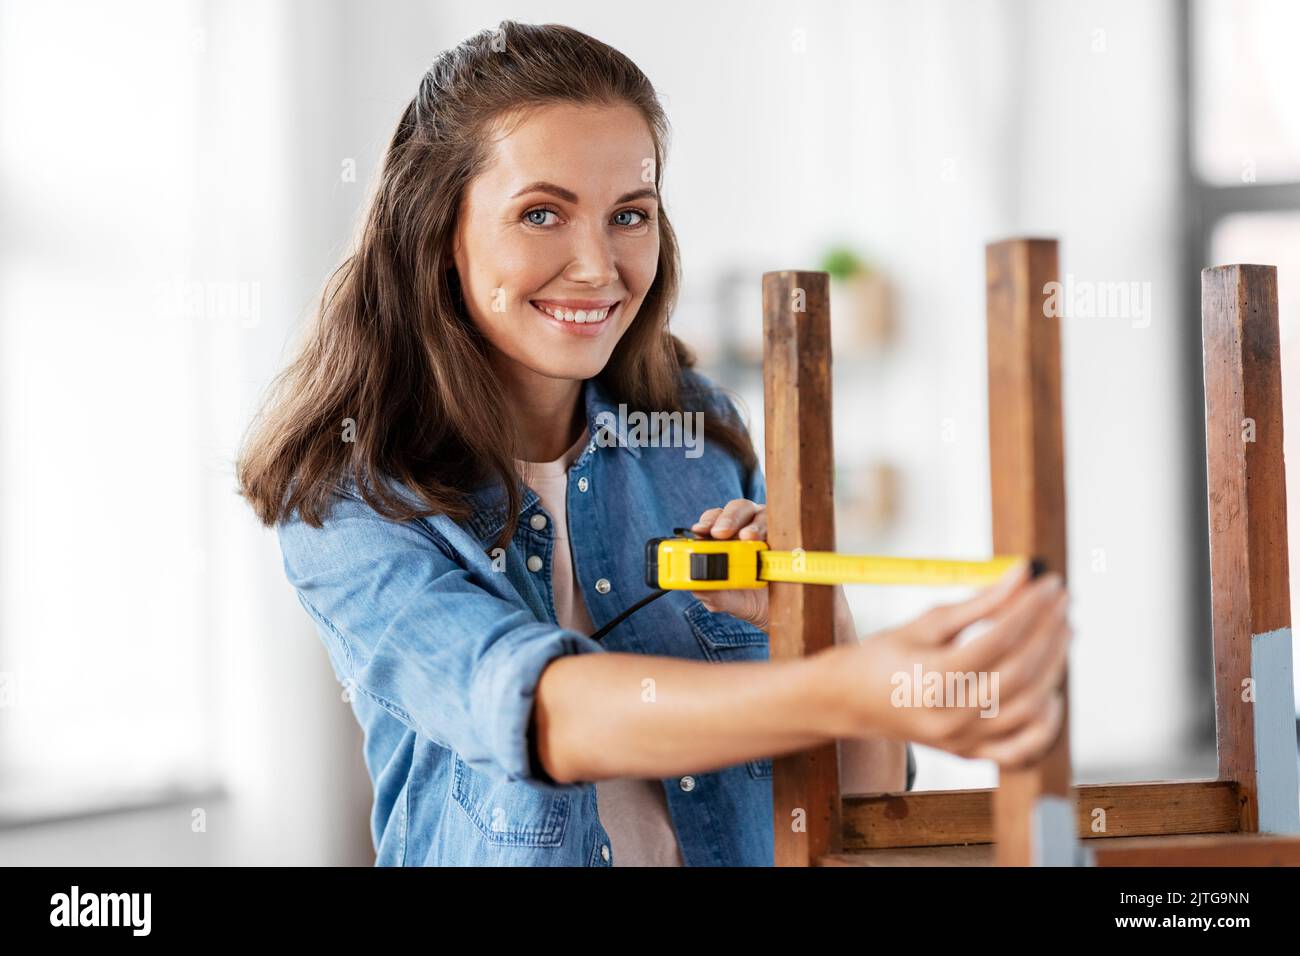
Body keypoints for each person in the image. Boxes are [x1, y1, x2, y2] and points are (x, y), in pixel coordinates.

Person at [236, 20, 1071, 867]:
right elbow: (542, 713)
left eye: (629, 214)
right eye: (541, 214)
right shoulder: (352, 493)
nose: (599, 266)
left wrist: (827, 635)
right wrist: (843, 687)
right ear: (436, 234)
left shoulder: (697, 428)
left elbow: (856, 807)